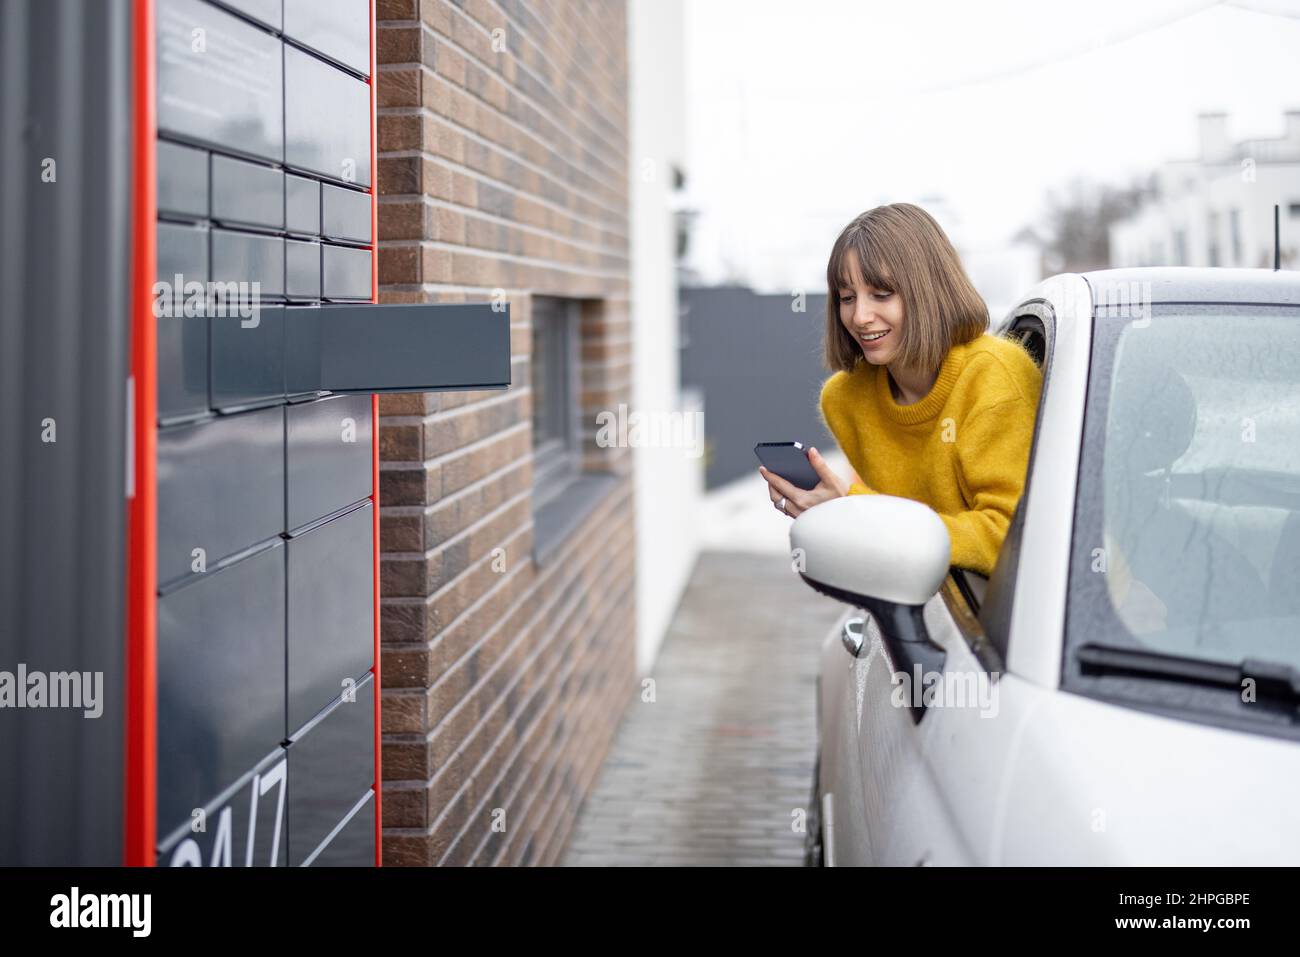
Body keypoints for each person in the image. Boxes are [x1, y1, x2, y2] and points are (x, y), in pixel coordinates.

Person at [758, 202, 1041, 579]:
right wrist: (828, 518)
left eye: (881, 294)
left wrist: (851, 509)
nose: (859, 317)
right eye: (847, 297)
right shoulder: (845, 400)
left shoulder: (994, 376)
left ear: (929, 291)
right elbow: (894, 540)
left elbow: (1009, 538)